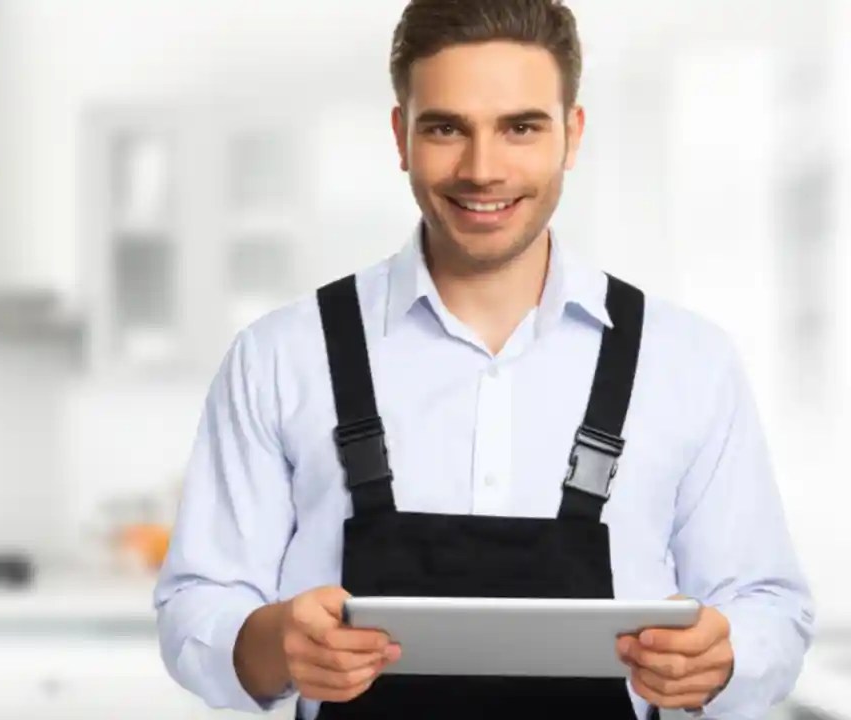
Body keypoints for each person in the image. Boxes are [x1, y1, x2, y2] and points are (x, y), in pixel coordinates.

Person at [153, 0, 815, 717]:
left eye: (521, 127)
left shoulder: (689, 364)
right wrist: (275, 641)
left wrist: (723, 660)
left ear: (572, 135)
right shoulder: (280, 357)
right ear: (401, 135)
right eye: (445, 128)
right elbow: (198, 604)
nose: (482, 169)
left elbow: (768, 609)